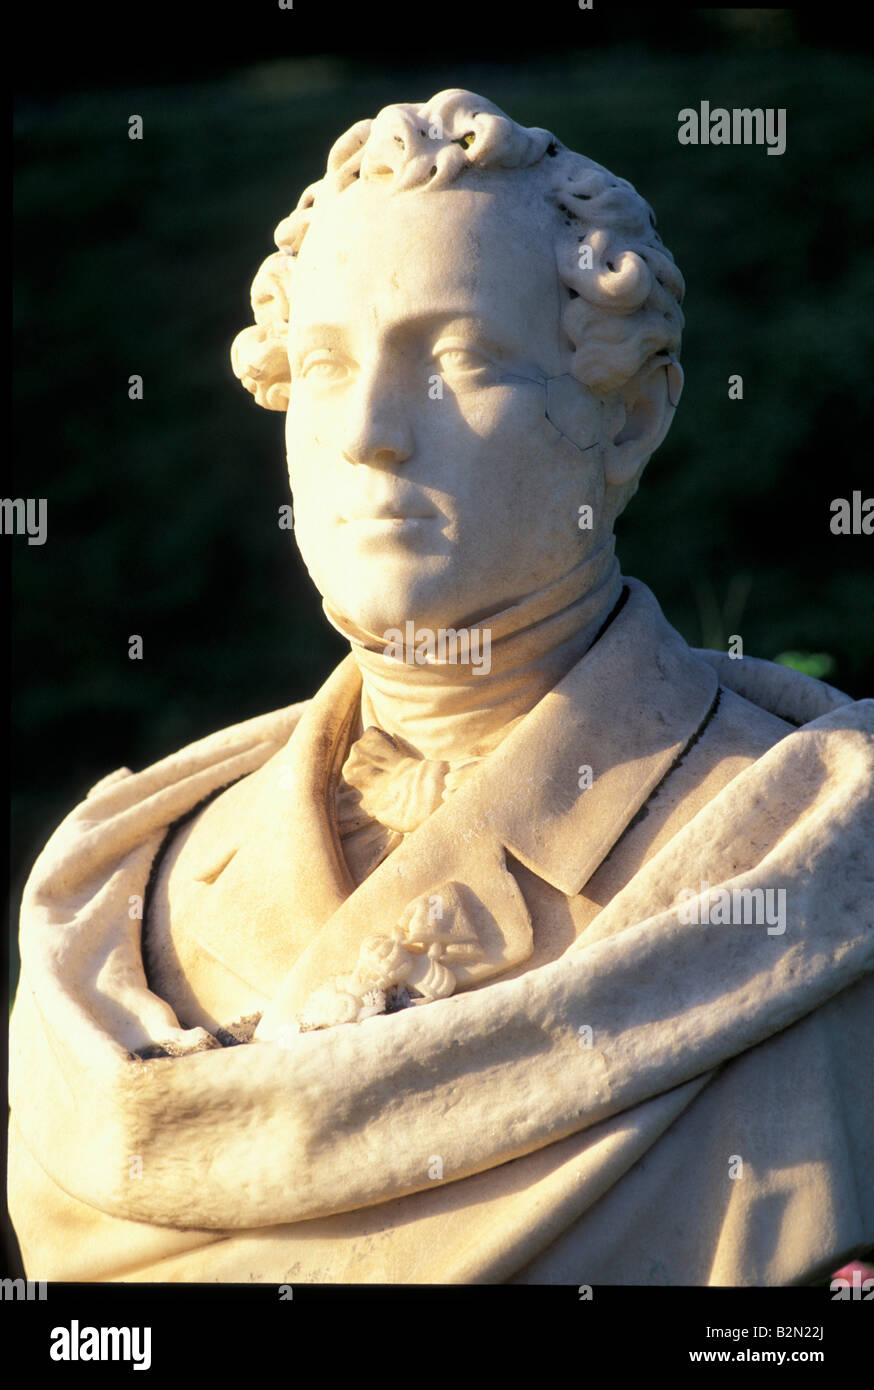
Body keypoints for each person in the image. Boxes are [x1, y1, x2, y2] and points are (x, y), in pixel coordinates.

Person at [9, 89, 872, 1285]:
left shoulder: (810, 861)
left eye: (457, 356)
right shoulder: (123, 901)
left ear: (626, 418)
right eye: (323, 365)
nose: (368, 430)